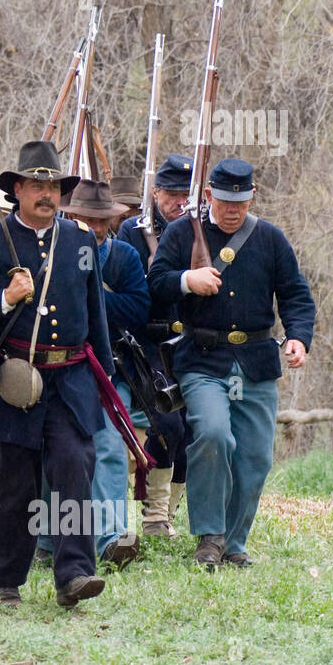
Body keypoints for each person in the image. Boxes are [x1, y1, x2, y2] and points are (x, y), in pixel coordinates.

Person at [0, 140, 129, 608]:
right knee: (18, 483)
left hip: (70, 379)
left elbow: (96, 317)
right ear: (18, 190)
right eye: (35, 185)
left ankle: (73, 574)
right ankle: (8, 578)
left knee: (74, 467)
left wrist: (102, 381)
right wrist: (4, 298)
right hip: (14, 382)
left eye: (51, 185)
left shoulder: (82, 242)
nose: (45, 194)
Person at [147, 159, 315, 568]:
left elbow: (295, 294)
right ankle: (210, 535)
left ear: (252, 196)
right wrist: (190, 280)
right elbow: (155, 283)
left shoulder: (270, 239)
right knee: (214, 435)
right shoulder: (181, 233)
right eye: (223, 200)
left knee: (255, 456)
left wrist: (297, 337)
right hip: (203, 359)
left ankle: (234, 544)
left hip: (256, 361)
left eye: (240, 200)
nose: (232, 208)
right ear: (208, 197)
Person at [53, 180, 148, 568]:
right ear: (72, 216)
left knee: (108, 448)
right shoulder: (55, 248)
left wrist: (92, 292)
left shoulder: (123, 257)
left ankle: (111, 536)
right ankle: (47, 538)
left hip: (110, 369)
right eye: (87, 219)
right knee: (57, 453)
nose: (95, 227)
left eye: (102, 220)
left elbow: (138, 308)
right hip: (60, 365)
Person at [116, 153, 194, 535]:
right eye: (173, 194)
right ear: (156, 191)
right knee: (167, 425)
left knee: (193, 429)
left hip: (191, 341)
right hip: (146, 343)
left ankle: (169, 513)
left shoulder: (199, 232)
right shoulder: (133, 231)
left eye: (187, 194)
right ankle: (155, 515)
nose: (180, 202)